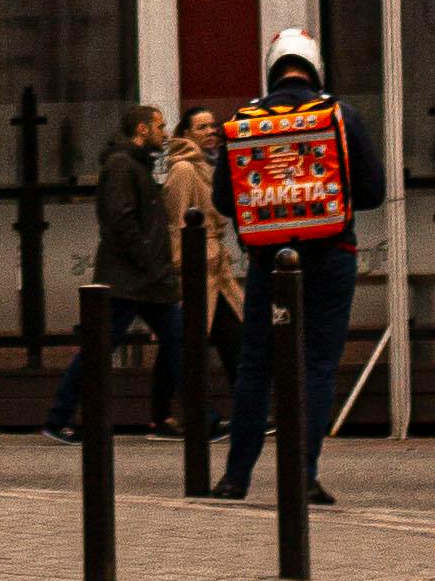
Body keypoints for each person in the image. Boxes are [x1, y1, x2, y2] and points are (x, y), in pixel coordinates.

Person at [211, 26, 384, 509]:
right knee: (318, 365)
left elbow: (226, 200)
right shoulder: (341, 116)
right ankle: (303, 474)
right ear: (314, 67)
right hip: (331, 257)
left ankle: (235, 478)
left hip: (270, 262)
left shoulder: (245, 120)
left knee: (255, 365)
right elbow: (371, 191)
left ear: (273, 69)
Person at [46, 99, 178, 438]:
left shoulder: (137, 165)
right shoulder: (123, 165)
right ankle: (59, 416)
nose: (165, 133)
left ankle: (176, 418)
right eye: (160, 126)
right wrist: (148, 259)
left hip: (141, 279)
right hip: (129, 279)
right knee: (99, 349)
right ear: (142, 129)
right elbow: (121, 220)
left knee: (179, 341)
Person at [164, 105, 244, 403]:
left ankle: (246, 410)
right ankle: (168, 415)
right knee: (193, 341)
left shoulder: (212, 165)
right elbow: (176, 221)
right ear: (186, 134)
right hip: (196, 268)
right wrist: (179, 268)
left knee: (227, 337)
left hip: (215, 268)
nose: (211, 132)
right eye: (202, 128)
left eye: (213, 126)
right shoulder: (184, 169)